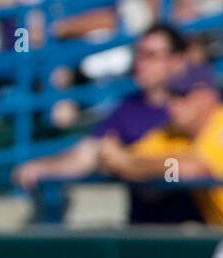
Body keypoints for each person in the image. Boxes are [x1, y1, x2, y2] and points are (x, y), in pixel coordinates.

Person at [12, 23, 196, 224]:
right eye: (139, 55)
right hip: (144, 233)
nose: (141, 64)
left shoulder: (201, 106)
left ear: (177, 61)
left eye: (151, 56)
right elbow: (87, 154)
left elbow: (191, 169)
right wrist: (44, 168)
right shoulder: (127, 108)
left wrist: (128, 163)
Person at [97, 63, 223, 225]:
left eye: (182, 95)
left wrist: (128, 163)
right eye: (170, 95)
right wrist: (124, 162)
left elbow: (192, 170)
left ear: (207, 97)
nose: (172, 104)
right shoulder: (175, 133)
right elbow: (118, 160)